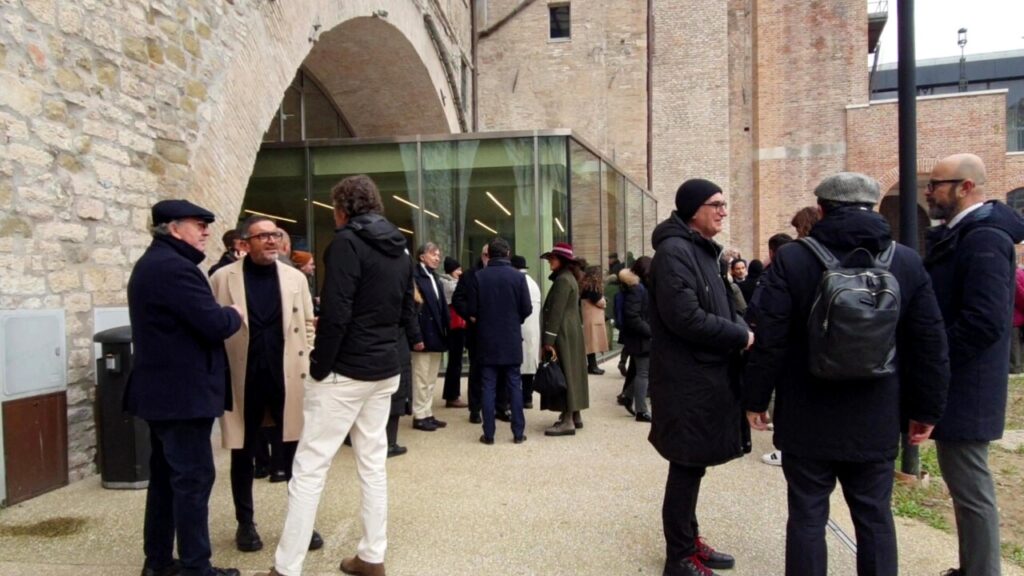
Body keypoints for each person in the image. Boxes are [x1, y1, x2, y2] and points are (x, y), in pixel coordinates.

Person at [743, 172, 951, 576]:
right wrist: (926, 408)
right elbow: (929, 342)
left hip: (807, 413)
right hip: (875, 413)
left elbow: (770, 337)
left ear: (821, 209)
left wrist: (754, 399)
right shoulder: (905, 261)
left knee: (807, 517)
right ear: (873, 207)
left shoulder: (794, 258)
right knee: (875, 518)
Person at [259, 175, 415, 576]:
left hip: (346, 371)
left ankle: (287, 567)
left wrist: (318, 366)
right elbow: (404, 312)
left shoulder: (346, 244)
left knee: (310, 467)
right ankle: (372, 555)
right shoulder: (400, 247)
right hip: (384, 369)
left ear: (341, 209)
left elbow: (336, 313)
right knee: (372, 462)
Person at [126, 199, 244, 576]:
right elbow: (212, 325)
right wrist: (233, 315)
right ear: (174, 229)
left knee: (165, 481)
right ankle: (196, 568)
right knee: (192, 482)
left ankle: (159, 562)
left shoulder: (157, 264)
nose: (206, 230)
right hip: (181, 397)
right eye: (198, 224)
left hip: (165, 395)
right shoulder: (174, 269)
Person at [923, 153, 1024, 576]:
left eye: (937, 184)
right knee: (964, 487)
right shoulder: (965, 234)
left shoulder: (985, 239)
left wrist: (937, 360)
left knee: (971, 489)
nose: (929, 192)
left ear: (966, 187)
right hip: (962, 382)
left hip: (969, 385)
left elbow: (984, 321)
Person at [648, 179, 751, 576]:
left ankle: (689, 540)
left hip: (704, 377)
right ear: (694, 209)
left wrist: (739, 325)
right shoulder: (675, 252)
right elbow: (685, 317)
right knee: (686, 465)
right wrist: (741, 335)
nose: (723, 210)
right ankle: (679, 557)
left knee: (693, 466)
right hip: (685, 381)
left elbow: (720, 307)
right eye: (716, 204)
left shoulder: (703, 252)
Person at [210, 216, 321, 554]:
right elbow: (213, 325)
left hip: (287, 375)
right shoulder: (221, 279)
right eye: (263, 236)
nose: (271, 241)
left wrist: (310, 354)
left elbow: (307, 322)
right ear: (245, 243)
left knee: (294, 453)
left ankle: (301, 523)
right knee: (243, 452)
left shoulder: (294, 278)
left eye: (275, 235)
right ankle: (246, 524)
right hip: (244, 376)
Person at [468, 238, 532, 444]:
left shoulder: (479, 277)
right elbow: (527, 308)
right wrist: (514, 321)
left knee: (488, 386)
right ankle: (518, 433)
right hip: (511, 338)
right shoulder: (518, 277)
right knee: (515, 385)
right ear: (508, 253)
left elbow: (472, 309)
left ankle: (489, 434)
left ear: (490, 254)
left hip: (486, 339)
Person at [539, 242, 589, 436]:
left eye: (552, 258)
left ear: (562, 260)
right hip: (571, 331)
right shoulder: (569, 278)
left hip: (562, 334)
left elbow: (556, 313)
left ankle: (567, 420)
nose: (550, 262)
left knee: (565, 373)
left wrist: (548, 341)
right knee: (572, 372)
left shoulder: (563, 280)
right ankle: (575, 415)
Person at [410, 242, 449, 432]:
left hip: (437, 335)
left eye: (438, 255)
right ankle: (419, 415)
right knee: (421, 378)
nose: (437, 258)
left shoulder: (435, 277)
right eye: (433, 254)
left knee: (431, 377)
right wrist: (416, 337)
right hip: (424, 334)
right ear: (422, 256)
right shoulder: (415, 277)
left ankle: (427, 412)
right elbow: (412, 310)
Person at [618, 256, 652, 423]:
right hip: (641, 338)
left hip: (641, 337)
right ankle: (641, 411)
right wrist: (651, 331)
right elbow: (632, 316)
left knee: (644, 372)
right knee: (643, 373)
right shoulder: (637, 289)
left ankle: (627, 396)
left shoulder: (638, 287)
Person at [512, 255, 542, 409]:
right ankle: (527, 398)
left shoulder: (516, 281)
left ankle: (515, 399)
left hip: (518, 329)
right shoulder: (533, 284)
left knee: (516, 368)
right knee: (529, 365)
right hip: (533, 331)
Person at [439, 256, 469, 408]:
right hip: (454, 327)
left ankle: (452, 394)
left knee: (455, 362)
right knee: (454, 363)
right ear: (451, 271)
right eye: (458, 269)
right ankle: (452, 396)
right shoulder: (447, 284)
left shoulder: (449, 282)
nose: (461, 272)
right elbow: (460, 288)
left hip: (458, 327)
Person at [581, 265, 609, 375]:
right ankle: (593, 366)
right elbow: (598, 301)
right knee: (591, 343)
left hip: (589, 316)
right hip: (592, 317)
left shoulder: (585, 285)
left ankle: (592, 365)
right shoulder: (592, 286)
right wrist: (604, 300)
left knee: (591, 342)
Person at [1013, 266, 1024, 375]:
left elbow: (1020, 294)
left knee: (1015, 343)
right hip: (1020, 316)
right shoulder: (1020, 273)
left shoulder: (1015, 274)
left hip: (1016, 317)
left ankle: (1015, 368)